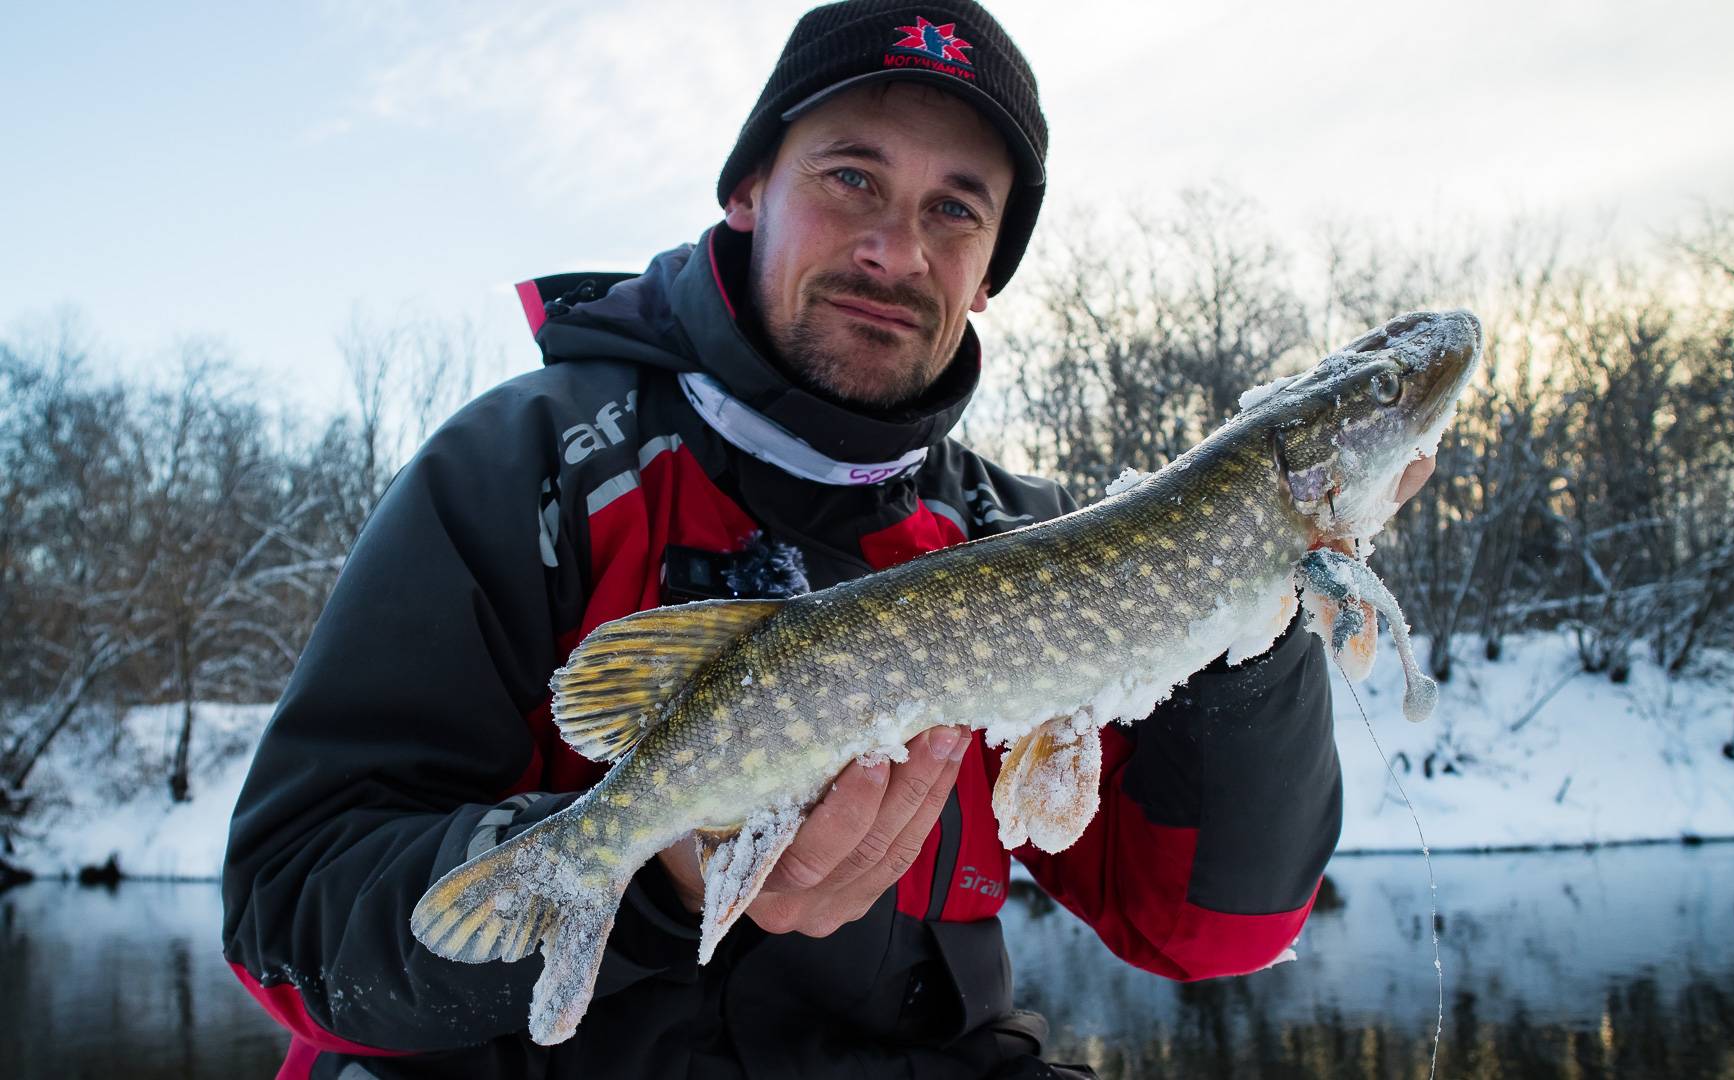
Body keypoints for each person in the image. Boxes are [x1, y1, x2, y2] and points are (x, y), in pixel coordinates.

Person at [221, 3, 1348, 1077]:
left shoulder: (1032, 548)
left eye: (956, 208)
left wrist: (1260, 621)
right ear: (750, 188)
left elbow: (1212, 931)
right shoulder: (535, 467)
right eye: (853, 176)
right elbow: (287, 915)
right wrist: (658, 882)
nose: (895, 250)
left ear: (992, 271)